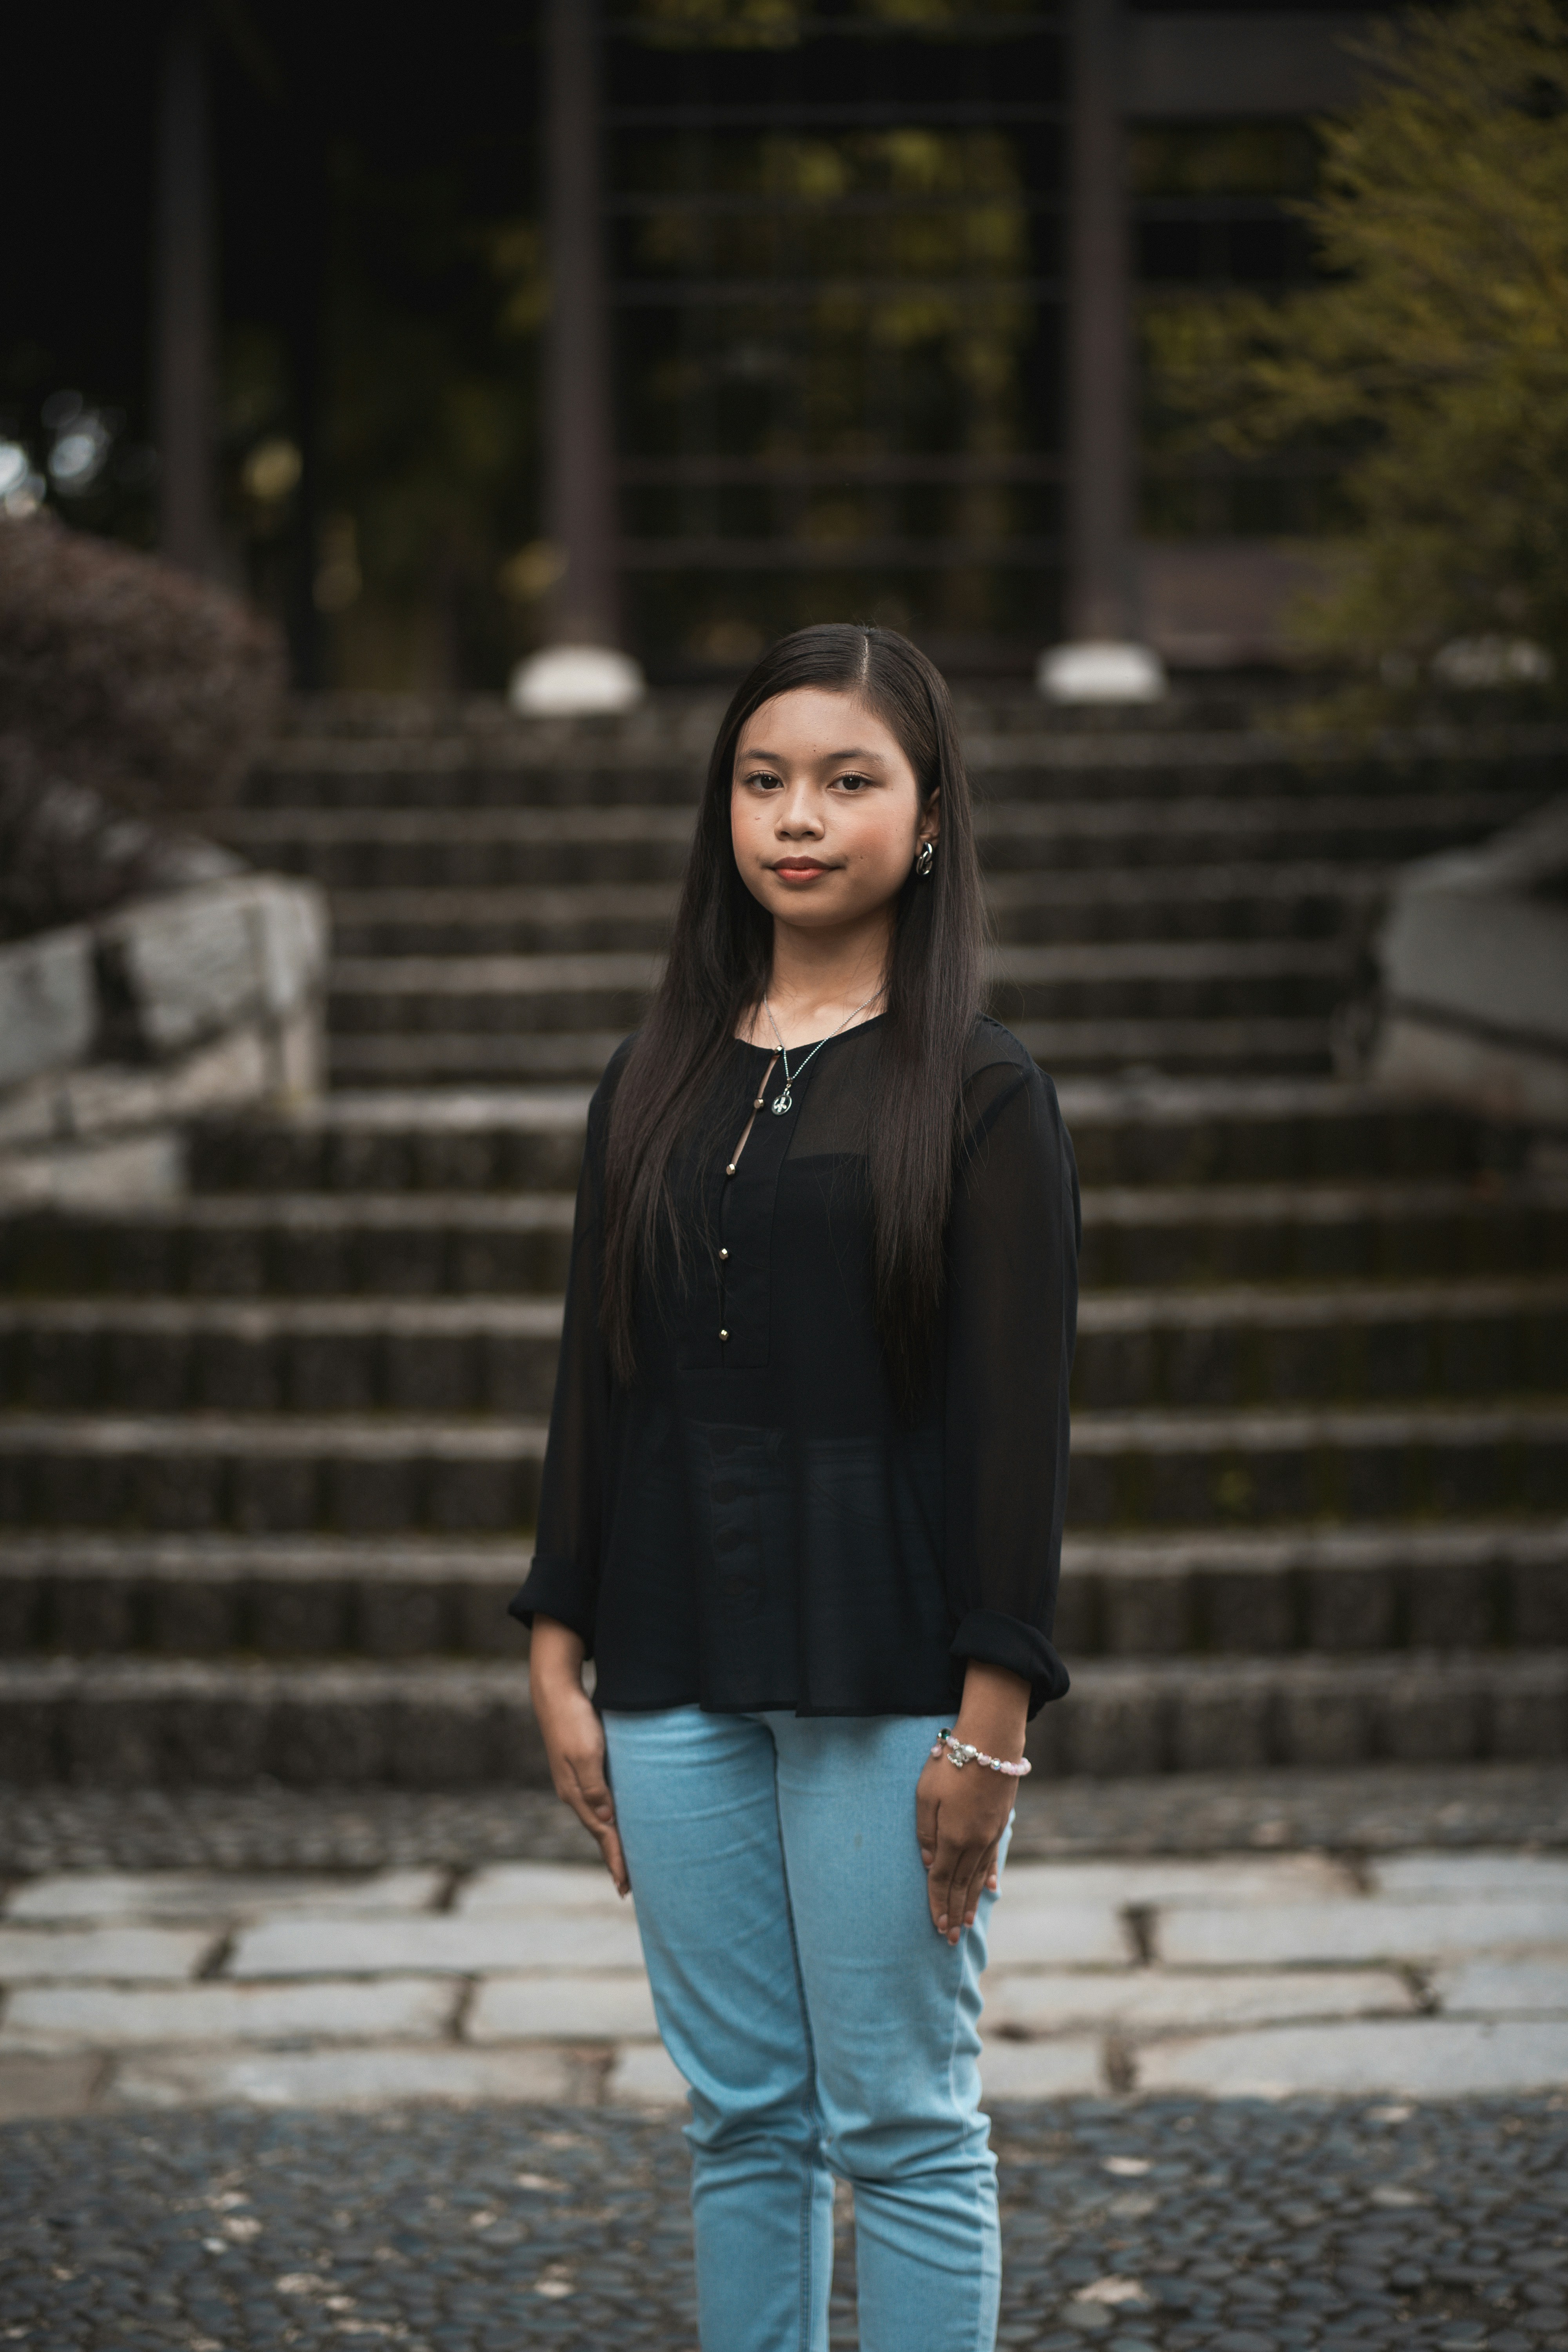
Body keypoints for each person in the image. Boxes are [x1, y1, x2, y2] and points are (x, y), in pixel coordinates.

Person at [514, 622, 1079, 2352]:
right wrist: (556, 1647)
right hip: (671, 1656)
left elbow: (1013, 1430)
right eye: (764, 780)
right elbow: (598, 1383)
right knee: (741, 2118)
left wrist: (990, 1728)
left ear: (927, 818)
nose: (799, 817)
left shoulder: (979, 1094)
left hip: (891, 1675)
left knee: (902, 2125)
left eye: (849, 780)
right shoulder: (651, 1079)